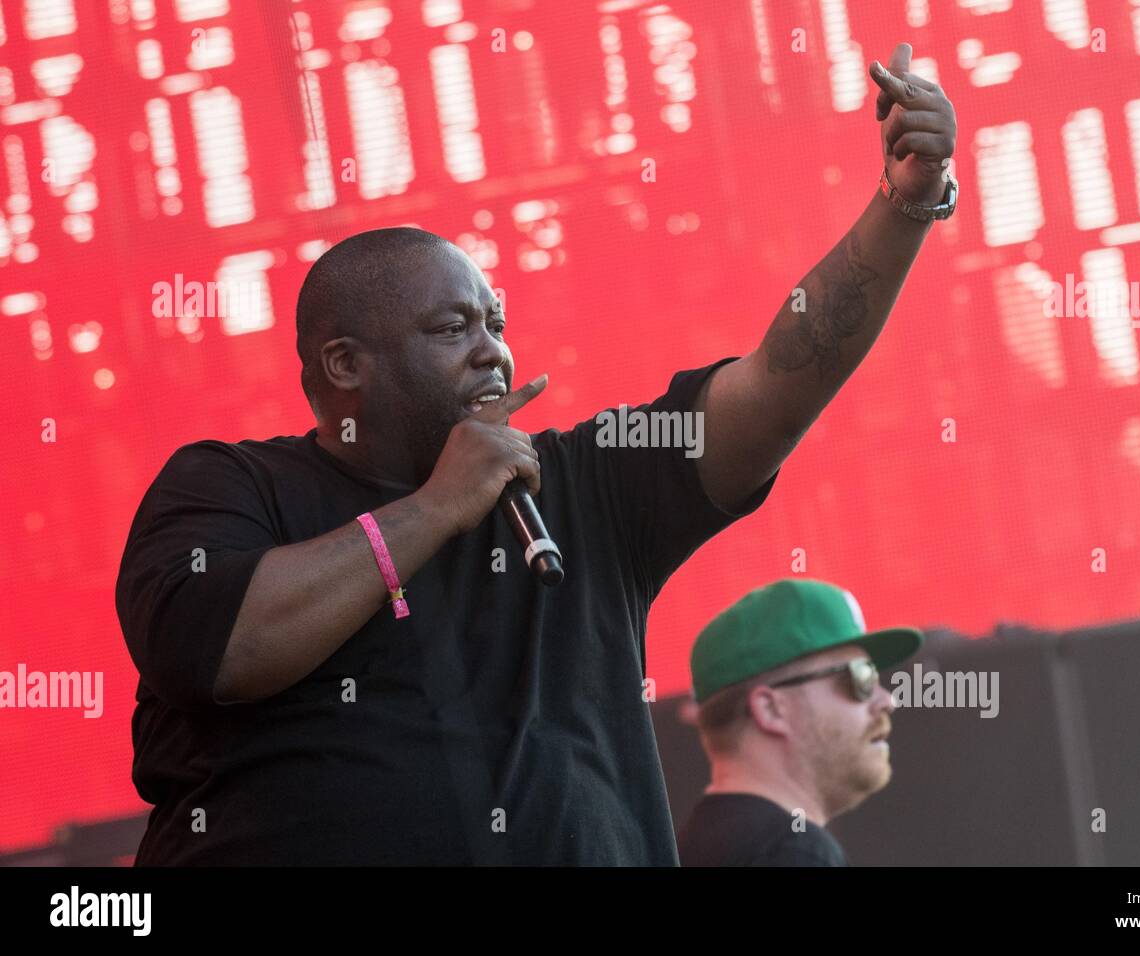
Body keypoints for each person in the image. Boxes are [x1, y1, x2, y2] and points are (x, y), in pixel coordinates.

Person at [115, 43, 957, 864]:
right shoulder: (228, 486)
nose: (492, 353)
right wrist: (438, 508)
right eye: (452, 329)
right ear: (345, 366)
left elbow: (779, 382)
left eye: (497, 326)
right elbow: (226, 651)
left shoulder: (580, 488)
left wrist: (904, 203)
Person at [677, 579, 923, 866]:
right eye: (860, 678)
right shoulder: (795, 853)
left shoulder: (687, 846)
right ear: (771, 709)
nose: (887, 701)